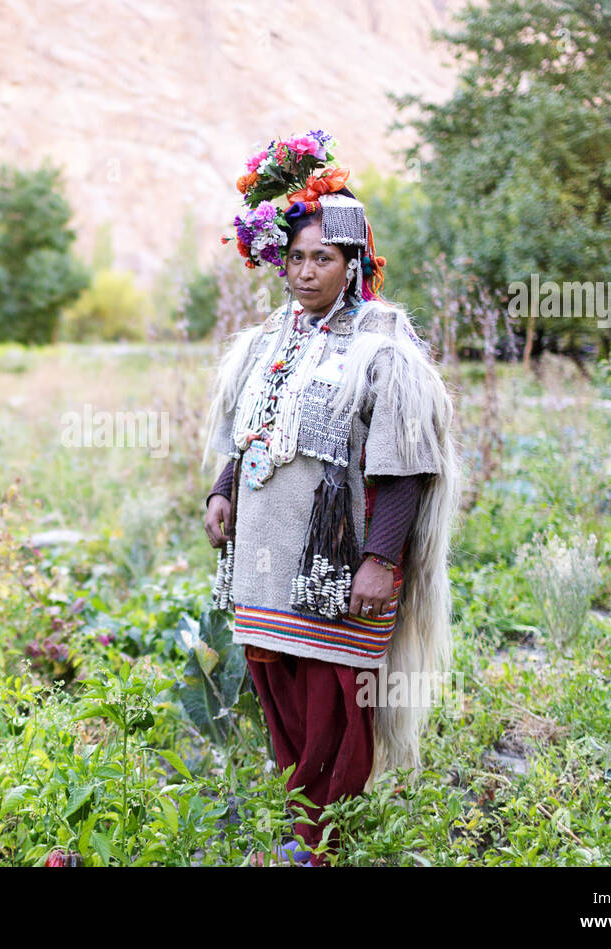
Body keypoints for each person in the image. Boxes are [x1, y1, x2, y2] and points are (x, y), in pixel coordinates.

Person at [202, 133, 461, 865]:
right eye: (296, 257)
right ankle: (303, 823)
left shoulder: (382, 344)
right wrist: (224, 490)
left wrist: (381, 561)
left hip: (336, 562)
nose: (306, 271)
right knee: (276, 682)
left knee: (334, 694)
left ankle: (325, 837)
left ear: (352, 265)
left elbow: (406, 466)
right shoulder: (266, 340)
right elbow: (247, 432)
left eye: (322, 257)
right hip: (262, 555)